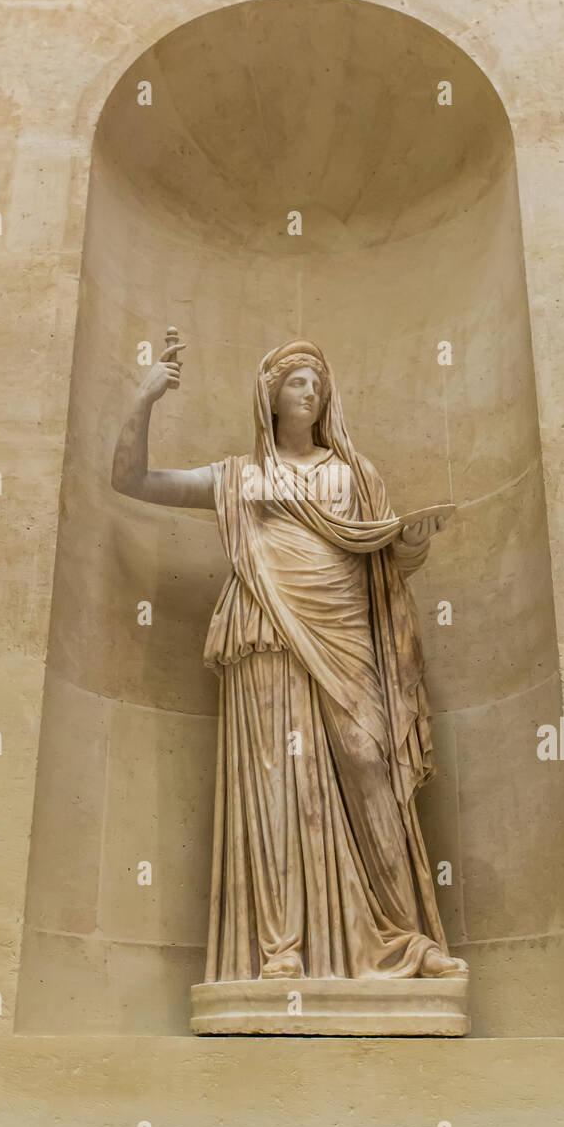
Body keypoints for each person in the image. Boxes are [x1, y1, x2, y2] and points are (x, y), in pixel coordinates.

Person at [112, 337, 467, 983]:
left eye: (318, 383)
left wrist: (411, 543)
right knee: (275, 783)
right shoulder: (240, 475)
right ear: (270, 393)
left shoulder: (354, 473)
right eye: (298, 381)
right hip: (267, 630)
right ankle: (281, 950)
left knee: (370, 765)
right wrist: (145, 397)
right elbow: (131, 480)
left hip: (347, 631)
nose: (312, 391)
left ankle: (408, 939)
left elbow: (388, 563)